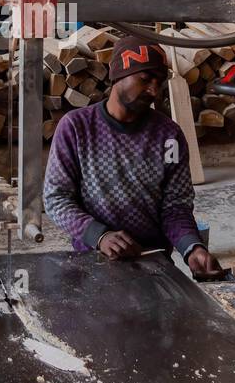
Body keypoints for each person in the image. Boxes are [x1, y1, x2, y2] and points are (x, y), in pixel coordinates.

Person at [44, 35, 225, 278]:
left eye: (158, 82)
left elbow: (176, 207)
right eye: (144, 79)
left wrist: (192, 248)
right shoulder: (76, 128)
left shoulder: (169, 135)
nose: (153, 90)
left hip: (153, 259)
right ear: (118, 75)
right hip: (92, 258)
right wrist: (99, 235)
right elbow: (57, 199)